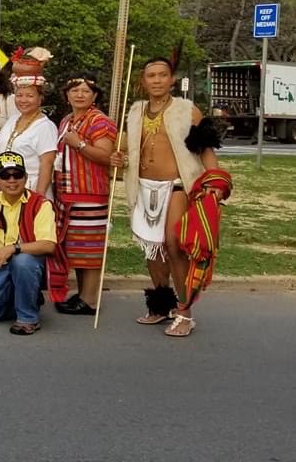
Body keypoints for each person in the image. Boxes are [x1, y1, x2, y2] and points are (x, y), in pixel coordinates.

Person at [110, 57, 222, 337]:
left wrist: (215, 182)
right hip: (144, 187)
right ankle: (162, 304)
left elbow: (206, 148)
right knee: (152, 248)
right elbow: (126, 149)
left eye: (163, 75)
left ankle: (185, 312)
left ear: (172, 79)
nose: (157, 80)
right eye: (151, 75)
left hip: (177, 186)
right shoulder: (134, 111)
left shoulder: (187, 110)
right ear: (143, 80)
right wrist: (118, 157)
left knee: (173, 244)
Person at [0, 152, 60, 335]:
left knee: (22, 261)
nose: (12, 180)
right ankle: (25, 299)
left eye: (17, 175)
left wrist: (12, 248)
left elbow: (48, 244)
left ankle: (27, 318)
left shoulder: (41, 204)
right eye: (5, 175)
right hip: (0, 264)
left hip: (29, 263)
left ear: (25, 178)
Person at [52, 75, 118, 316]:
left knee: (90, 249)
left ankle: (90, 300)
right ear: (67, 94)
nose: (79, 95)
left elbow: (105, 156)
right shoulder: (67, 120)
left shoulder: (99, 121)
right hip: (67, 193)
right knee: (76, 250)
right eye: (75, 90)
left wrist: (79, 144)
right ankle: (81, 295)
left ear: (95, 96)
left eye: (86, 91)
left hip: (89, 192)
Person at [0, 47, 58, 198]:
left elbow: (47, 165)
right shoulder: (12, 120)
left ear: (40, 98)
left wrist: (39, 198)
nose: (23, 100)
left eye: (29, 96)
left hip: (32, 192)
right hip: (7, 190)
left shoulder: (45, 126)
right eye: (19, 95)